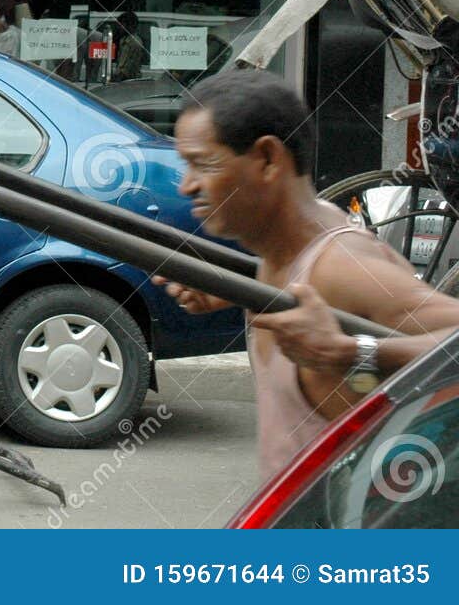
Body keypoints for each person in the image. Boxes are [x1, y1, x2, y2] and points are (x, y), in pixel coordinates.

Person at [156, 69, 459, 479]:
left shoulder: (342, 270)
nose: (186, 186)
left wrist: (354, 353)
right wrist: (232, 293)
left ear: (266, 159)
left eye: (203, 164)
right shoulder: (286, 247)